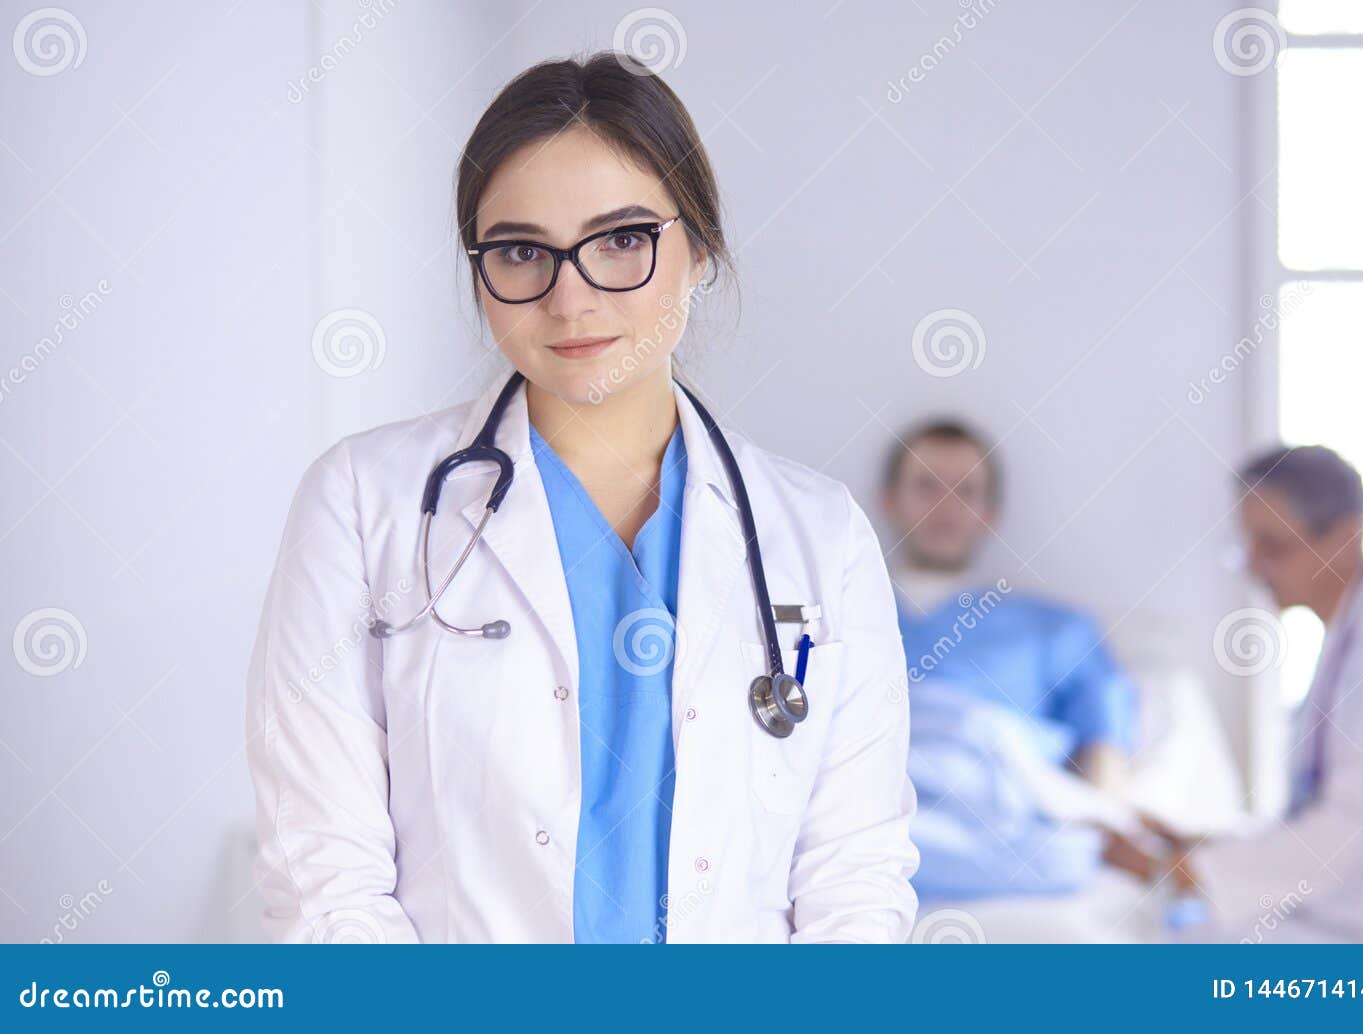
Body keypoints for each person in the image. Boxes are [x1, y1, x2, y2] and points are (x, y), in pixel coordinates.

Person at [245, 53, 918, 944]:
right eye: (522, 251)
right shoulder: (363, 503)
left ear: (701, 249)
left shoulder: (819, 532)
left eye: (621, 241)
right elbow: (323, 873)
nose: (571, 298)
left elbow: (854, 879)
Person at [1105, 445, 1363, 943]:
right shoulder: (1357, 639)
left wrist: (1174, 869)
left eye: (1273, 546)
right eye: (1248, 545)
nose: (1254, 567)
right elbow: (1320, 816)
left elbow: (1344, 833)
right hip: (1346, 913)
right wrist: (1197, 845)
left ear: (1344, 538)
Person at [880, 420, 1139, 902]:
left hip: (994, 806)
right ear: (889, 500)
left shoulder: (1055, 629)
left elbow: (1106, 736)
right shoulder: (844, 617)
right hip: (883, 794)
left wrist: (1103, 819)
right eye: (926, 486)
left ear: (990, 512)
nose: (945, 507)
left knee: (1069, 854)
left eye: (966, 491)